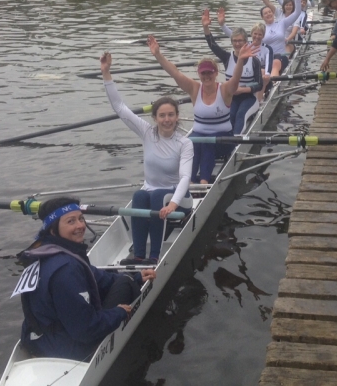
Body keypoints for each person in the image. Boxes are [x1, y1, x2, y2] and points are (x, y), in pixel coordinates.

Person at [16, 197, 156, 360]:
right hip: (64, 351)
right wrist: (118, 313)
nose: (80, 225)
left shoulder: (42, 252)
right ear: (53, 230)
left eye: (81, 218)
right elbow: (85, 331)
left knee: (123, 279)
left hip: (36, 340)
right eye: (71, 221)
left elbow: (96, 276)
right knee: (125, 283)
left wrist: (138, 276)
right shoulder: (66, 269)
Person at [100, 53, 194, 264]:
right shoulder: (146, 133)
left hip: (180, 200)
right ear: (155, 118)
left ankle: (155, 257)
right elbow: (120, 108)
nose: (167, 119)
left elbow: (185, 177)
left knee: (157, 196)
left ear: (177, 117)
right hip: (154, 195)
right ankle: (139, 255)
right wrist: (106, 73)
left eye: (171, 115)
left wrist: (173, 204)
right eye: (162, 115)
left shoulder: (185, 143)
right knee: (139, 196)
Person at [147, 35, 258, 184]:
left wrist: (240, 61)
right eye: (203, 73)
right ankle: (190, 181)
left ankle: (204, 182)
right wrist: (158, 55)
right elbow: (175, 73)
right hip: (200, 139)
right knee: (189, 144)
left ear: (215, 73)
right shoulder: (194, 88)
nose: (206, 76)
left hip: (224, 141)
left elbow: (236, 79)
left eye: (209, 73)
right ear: (199, 74)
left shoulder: (225, 90)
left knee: (204, 143)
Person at [201, 9, 263, 134]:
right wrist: (206, 27)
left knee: (240, 115)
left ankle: (236, 145)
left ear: (246, 42)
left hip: (250, 98)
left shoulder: (254, 61)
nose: (237, 43)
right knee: (229, 116)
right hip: (231, 98)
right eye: (234, 41)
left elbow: (260, 84)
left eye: (240, 41)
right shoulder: (227, 58)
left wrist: (242, 90)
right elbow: (212, 45)